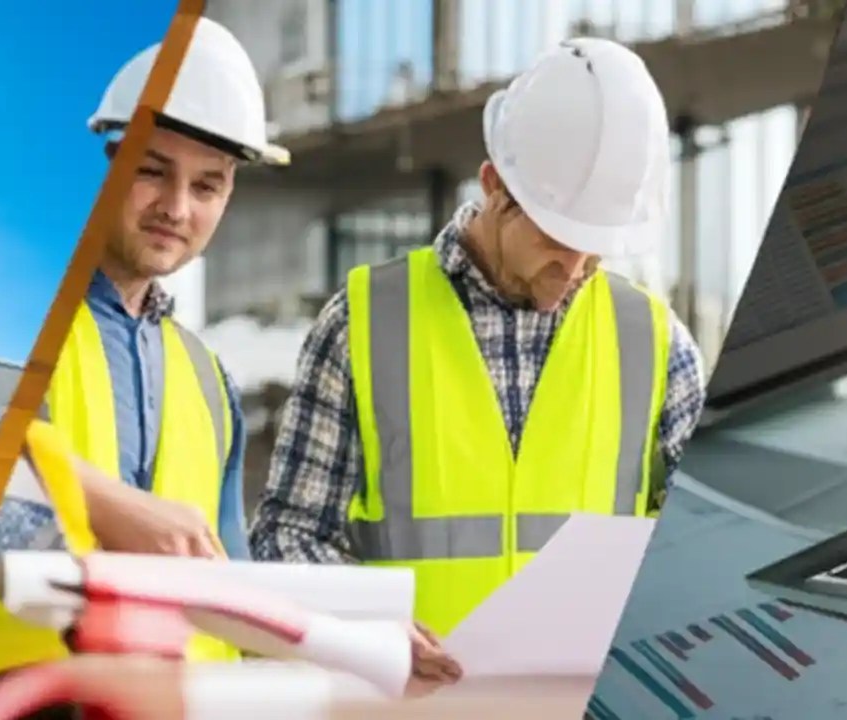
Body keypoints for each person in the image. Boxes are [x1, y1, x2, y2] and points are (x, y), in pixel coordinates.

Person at [249, 37, 707, 683]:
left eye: (596, 252)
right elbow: (286, 537)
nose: (571, 273)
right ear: (495, 186)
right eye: (556, 241)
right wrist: (363, 628)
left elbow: (704, 543)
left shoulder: (657, 343)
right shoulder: (362, 324)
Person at [0, 17, 290, 710]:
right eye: (150, 171)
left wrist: (379, 647)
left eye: (207, 186)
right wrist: (110, 505)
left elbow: (236, 587)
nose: (176, 208)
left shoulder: (208, 379)